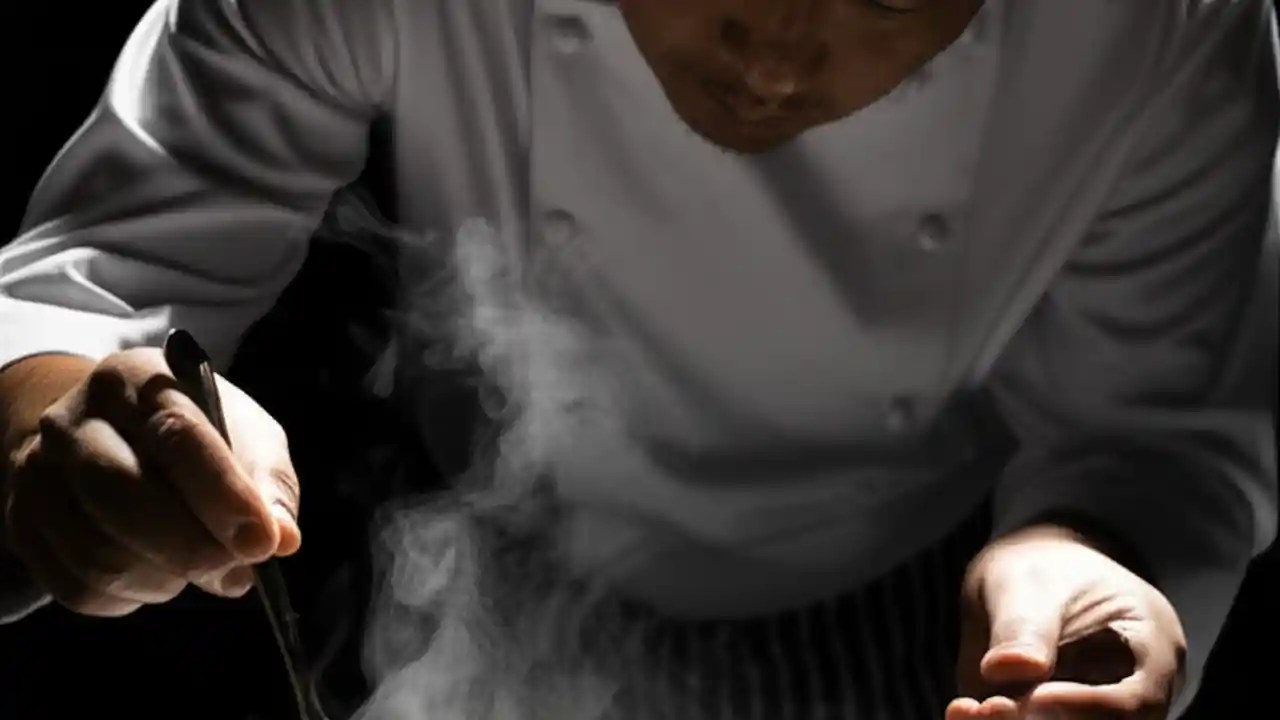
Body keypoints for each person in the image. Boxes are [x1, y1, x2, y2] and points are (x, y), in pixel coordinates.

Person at [0, 0, 1276, 718]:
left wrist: (1082, 546)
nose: (772, 62)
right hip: (481, 543)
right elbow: (94, 274)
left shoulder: (1162, 22)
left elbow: (1153, 428)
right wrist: (63, 425)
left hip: (918, 611)